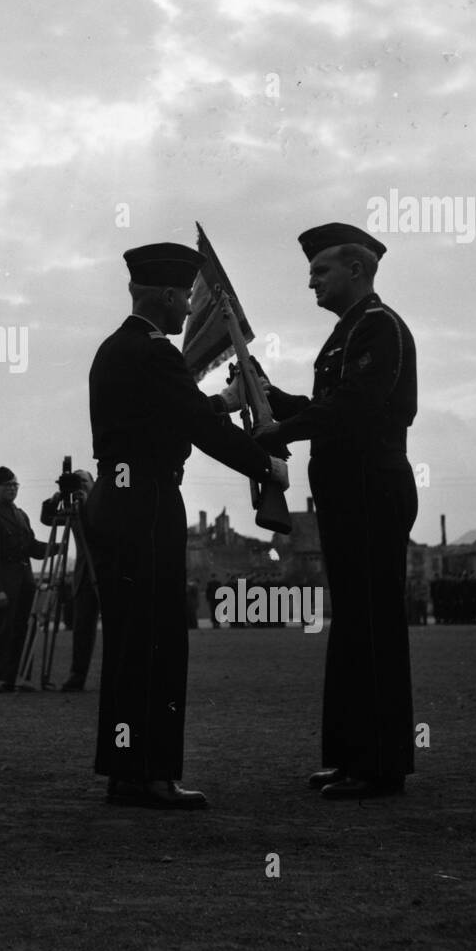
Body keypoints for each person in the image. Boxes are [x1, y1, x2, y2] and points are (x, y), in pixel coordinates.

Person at [86, 242, 286, 810]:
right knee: (160, 640)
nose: (188, 311)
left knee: (130, 641)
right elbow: (193, 424)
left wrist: (224, 401)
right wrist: (264, 462)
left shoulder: (114, 349)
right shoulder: (155, 353)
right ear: (170, 296)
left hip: (117, 500)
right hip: (148, 502)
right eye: (186, 298)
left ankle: (126, 770)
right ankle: (154, 775)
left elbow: (172, 414)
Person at [252, 224, 417, 800]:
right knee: (352, 622)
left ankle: (379, 767)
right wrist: (270, 396)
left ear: (357, 270)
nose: (312, 282)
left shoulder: (378, 326)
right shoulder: (352, 332)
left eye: (321, 271)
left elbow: (354, 404)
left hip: (372, 487)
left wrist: (284, 429)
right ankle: (351, 759)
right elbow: (328, 405)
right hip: (350, 493)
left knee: (371, 623)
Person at [0, 467, 50, 693]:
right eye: (7, 485)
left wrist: (57, 547)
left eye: (14, 485)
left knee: (22, 629)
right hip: (6, 582)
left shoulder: (21, 515)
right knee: (2, 629)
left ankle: (13, 677)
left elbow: (33, 548)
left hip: (25, 580)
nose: (11, 489)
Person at [39, 469, 100, 692]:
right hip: (83, 573)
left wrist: (85, 505)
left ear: (94, 483)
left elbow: (96, 530)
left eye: (84, 481)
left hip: (106, 571)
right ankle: (77, 675)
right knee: (81, 625)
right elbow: (47, 519)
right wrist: (57, 498)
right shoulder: (73, 506)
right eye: (76, 483)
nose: (80, 486)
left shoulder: (103, 504)